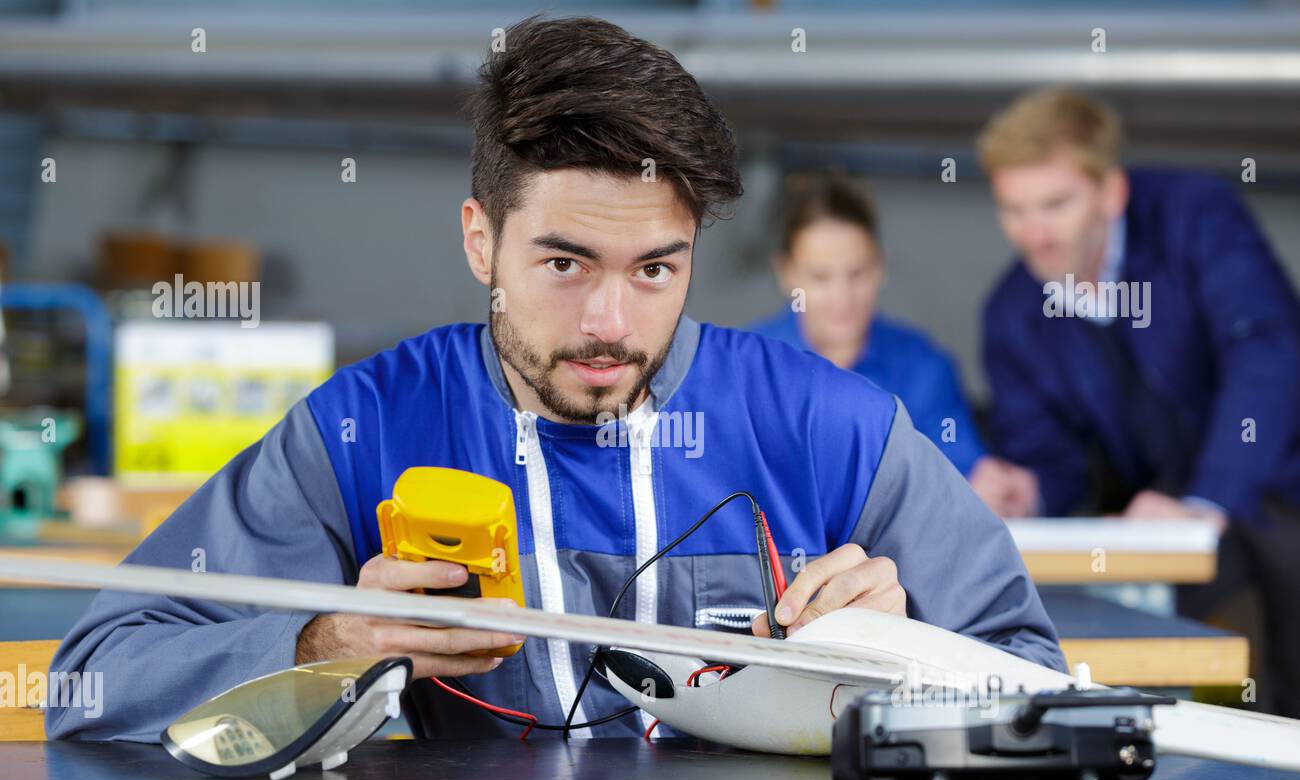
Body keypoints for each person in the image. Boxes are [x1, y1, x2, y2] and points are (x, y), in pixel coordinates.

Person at [46, 16, 1064, 743]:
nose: (612, 324)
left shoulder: (832, 428)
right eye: (565, 263)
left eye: (656, 268)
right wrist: (317, 639)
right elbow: (90, 677)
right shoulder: (363, 428)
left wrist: (907, 663)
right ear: (480, 240)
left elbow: (1043, 688)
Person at [977, 87, 1300, 717]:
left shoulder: (1196, 216)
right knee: (1136, 645)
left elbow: (1266, 349)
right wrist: (1029, 487)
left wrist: (1210, 498)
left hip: (1280, 470)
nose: (1034, 235)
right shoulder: (1013, 312)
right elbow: (1050, 450)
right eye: (1013, 210)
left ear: (1111, 192)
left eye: (1055, 204)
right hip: (1169, 505)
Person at [750, 172, 1035, 498]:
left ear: (880, 267)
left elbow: (962, 476)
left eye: (857, 273)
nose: (842, 297)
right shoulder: (749, 368)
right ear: (785, 273)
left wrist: (990, 486)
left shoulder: (924, 367)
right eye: (820, 277)